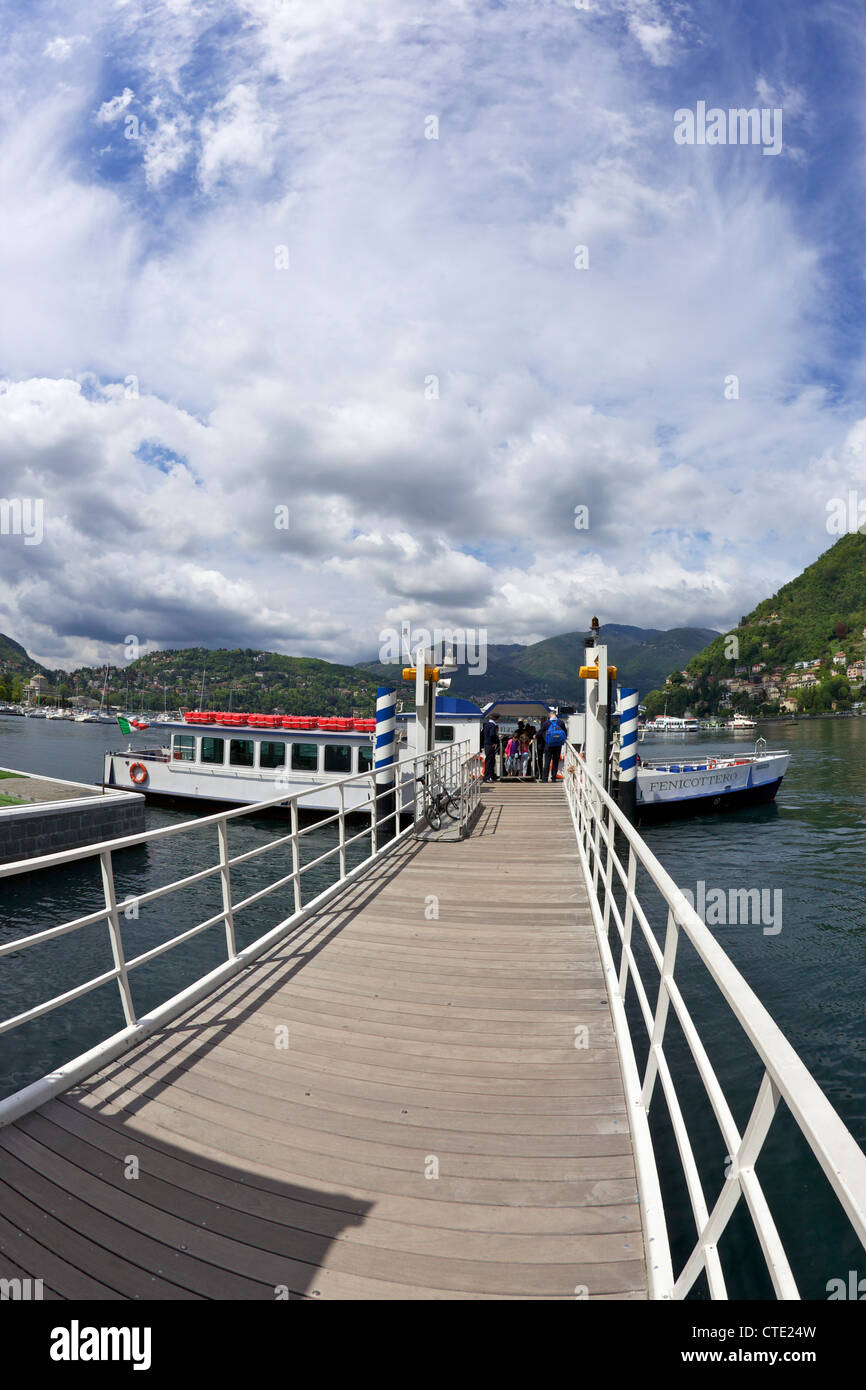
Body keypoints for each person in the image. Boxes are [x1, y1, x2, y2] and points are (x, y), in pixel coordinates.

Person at [542, 713, 567, 782]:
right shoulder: (561, 722)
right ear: (555, 715)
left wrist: (536, 736)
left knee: (547, 762)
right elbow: (565, 732)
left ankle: (545, 778)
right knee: (555, 762)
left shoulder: (546, 723)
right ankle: (553, 778)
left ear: (550, 715)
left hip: (549, 745)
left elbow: (542, 731)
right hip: (558, 745)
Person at [482, 712, 500, 781]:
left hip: (487, 744)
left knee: (491, 761)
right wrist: (495, 742)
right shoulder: (492, 725)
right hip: (490, 745)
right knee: (489, 761)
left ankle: (492, 776)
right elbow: (492, 735)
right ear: (496, 719)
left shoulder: (487, 724)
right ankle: (486, 777)